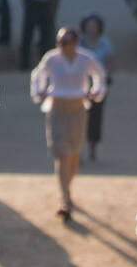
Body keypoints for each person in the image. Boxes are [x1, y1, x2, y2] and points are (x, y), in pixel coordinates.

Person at [30, 27, 106, 221]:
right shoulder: (52, 59)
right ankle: (64, 198)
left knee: (73, 152)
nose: (63, 46)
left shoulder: (85, 58)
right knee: (61, 152)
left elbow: (99, 74)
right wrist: (39, 91)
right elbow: (38, 75)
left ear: (75, 43)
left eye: (67, 42)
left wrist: (96, 92)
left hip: (78, 108)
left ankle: (67, 188)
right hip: (57, 108)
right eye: (60, 42)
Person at [79, 14, 116, 161]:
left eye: (94, 25)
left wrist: (105, 77)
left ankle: (92, 148)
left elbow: (110, 63)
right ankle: (79, 150)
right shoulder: (79, 44)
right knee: (80, 118)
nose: (91, 28)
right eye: (89, 25)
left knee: (96, 118)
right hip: (81, 84)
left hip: (98, 85)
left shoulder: (105, 44)